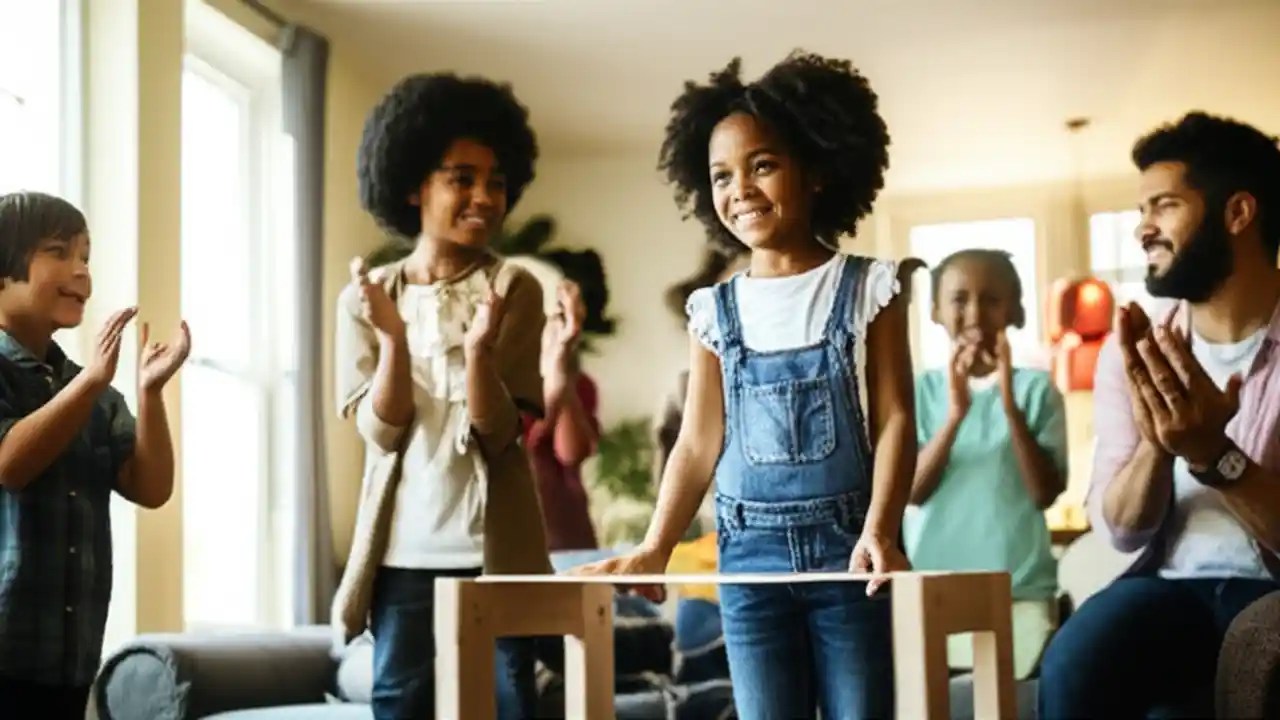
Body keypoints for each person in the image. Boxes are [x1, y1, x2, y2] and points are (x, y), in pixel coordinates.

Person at [575, 51, 918, 719]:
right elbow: (699, 442)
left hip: (850, 554)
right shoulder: (714, 310)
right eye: (722, 176)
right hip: (747, 559)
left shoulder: (871, 289)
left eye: (763, 165)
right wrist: (655, 545)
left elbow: (897, 421)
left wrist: (883, 528)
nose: (742, 189)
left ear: (817, 169)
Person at [330, 72, 561, 720]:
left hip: (495, 554)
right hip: (401, 557)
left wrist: (481, 351)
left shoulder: (516, 288)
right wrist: (395, 342)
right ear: (413, 185)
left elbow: (499, 434)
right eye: (462, 178)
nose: (484, 196)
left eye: (496, 180)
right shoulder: (363, 299)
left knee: (512, 704)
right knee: (399, 705)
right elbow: (381, 431)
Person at [1038, 111, 1280, 717]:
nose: (1143, 229)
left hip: (1273, 592)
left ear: (1238, 213)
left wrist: (1213, 455)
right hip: (1168, 590)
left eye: (1163, 206)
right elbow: (1120, 530)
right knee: (1077, 654)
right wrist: (1157, 442)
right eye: (1141, 211)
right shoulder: (1134, 354)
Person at [0, 191, 190, 719]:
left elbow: (151, 488)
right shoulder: (82, 387)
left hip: (72, 656)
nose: (81, 271)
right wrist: (90, 382)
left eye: (86, 256)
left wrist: (150, 394)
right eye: (59, 252)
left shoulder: (98, 396)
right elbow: (9, 464)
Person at [905, 249, 1067, 680]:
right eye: (959, 299)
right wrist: (955, 415)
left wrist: (1010, 407)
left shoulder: (1037, 390)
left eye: (991, 298)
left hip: (1019, 591)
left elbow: (1044, 493)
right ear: (936, 311)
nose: (975, 311)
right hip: (931, 590)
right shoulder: (918, 391)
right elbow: (911, 492)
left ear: (1014, 309)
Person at [506, 254, 602, 553]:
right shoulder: (487, 385)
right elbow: (517, 449)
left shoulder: (579, 384)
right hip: (506, 542)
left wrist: (560, 369)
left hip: (564, 538)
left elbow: (571, 453)